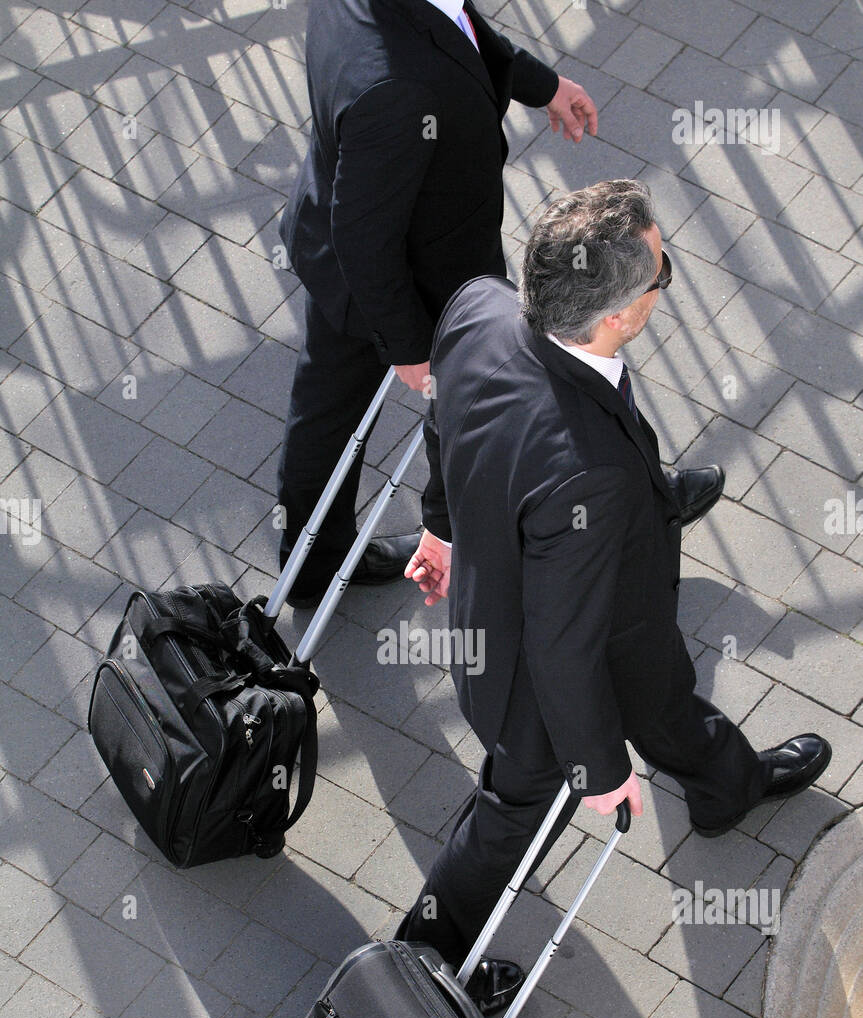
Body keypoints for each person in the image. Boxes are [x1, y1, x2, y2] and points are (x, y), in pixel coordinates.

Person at [398, 180, 831, 1016]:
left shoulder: (480, 308)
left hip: (613, 617)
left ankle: (725, 786)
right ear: (621, 313)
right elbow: (561, 647)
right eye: (661, 271)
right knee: (509, 821)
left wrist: (440, 527)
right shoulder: (580, 469)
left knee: (663, 693)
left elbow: (444, 420)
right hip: (535, 686)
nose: (666, 281)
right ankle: (422, 973)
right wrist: (597, 772)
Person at [275, 0, 719, 608]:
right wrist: (408, 349)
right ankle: (637, 505)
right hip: (425, 276)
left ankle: (312, 566)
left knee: (326, 412)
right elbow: (367, 239)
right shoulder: (394, 89)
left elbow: (461, 35)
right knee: (552, 377)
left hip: (335, 249)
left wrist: (544, 85)